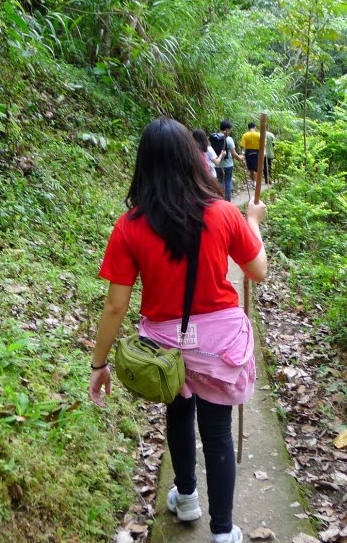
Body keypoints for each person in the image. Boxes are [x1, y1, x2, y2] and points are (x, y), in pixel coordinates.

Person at [88, 117, 268, 543]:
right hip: (219, 344)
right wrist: (253, 219)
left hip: (166, 344)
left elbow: (116, 305)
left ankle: (186, 497)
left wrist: (99, 363)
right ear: (193, 159)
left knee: (178, 413)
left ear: (144, 165)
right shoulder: (223, 214)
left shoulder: (130, 225)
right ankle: (224, 533)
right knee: (218, 430)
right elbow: (257, 271)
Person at [211, 120, 242, 202]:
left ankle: (220, 200)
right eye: (230, 130)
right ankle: (227, 201)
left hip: (217, 164)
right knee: (228, 182)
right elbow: (234, 153)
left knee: (220, 182)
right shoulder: (229, 139)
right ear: (227, 129)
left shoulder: (213, 137)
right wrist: (239, 158)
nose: (230, 132)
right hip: (228, 165)